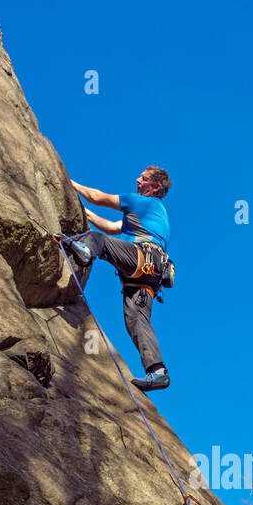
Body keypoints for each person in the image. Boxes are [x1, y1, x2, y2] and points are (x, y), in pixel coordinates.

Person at [67, 167, 173, 393]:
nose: (137, 179)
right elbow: (111, 226)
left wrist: (69, 182)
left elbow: (98, 198)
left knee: (97, 240)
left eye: (143, 178)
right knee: (136, 319)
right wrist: (84, 213)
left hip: (142, 258)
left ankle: (85, 252)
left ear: (155, 186)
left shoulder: (143, 203)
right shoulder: (147, 215)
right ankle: (158, 372)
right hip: (149, 274)